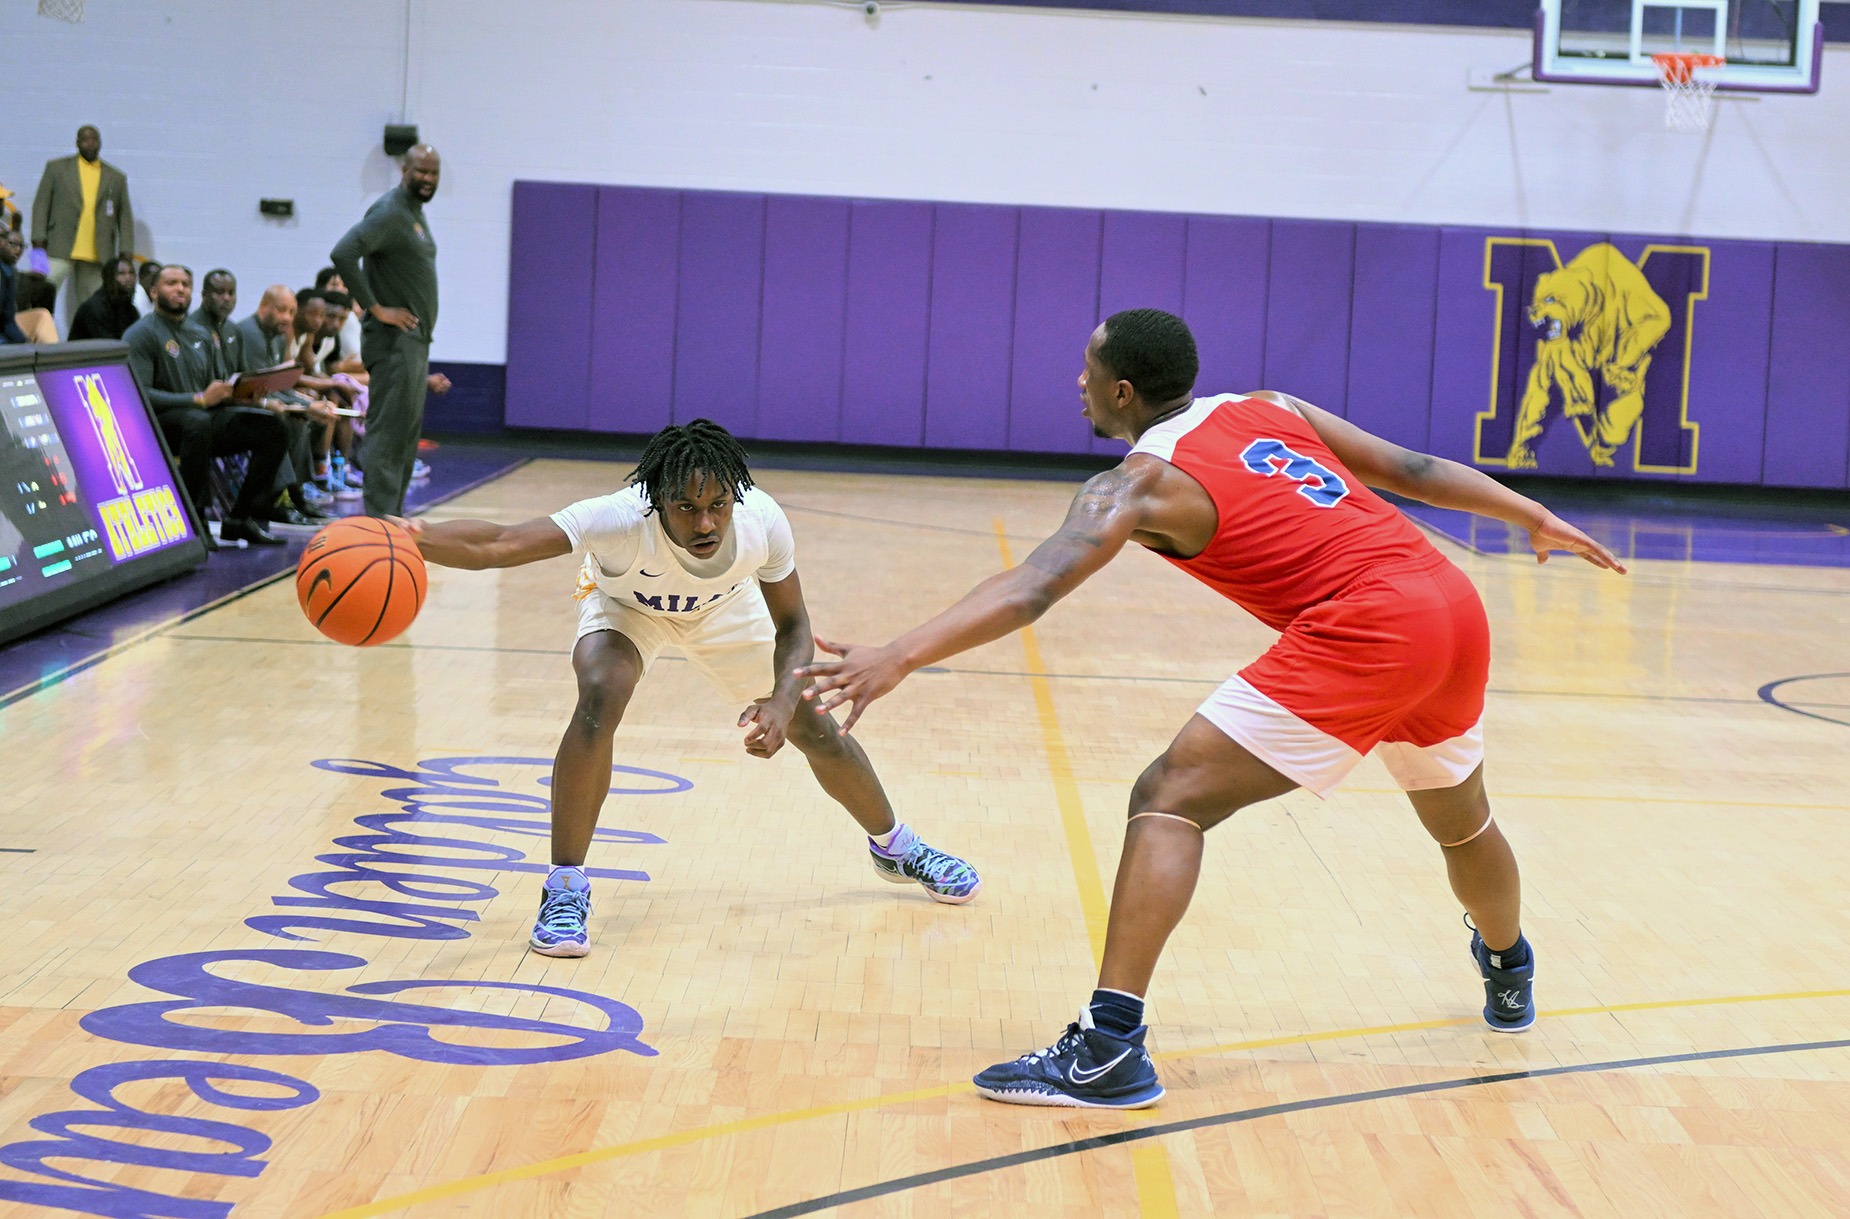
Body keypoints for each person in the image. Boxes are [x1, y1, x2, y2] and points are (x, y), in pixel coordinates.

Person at [799, 309, 1627, 1109]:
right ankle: (1509, 967)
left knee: (1168, 795)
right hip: (1448, 601)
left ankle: (1109, 1046)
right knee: (1462, 821)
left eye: (1088, 372)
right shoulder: (1270, 405)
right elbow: (1411, 470)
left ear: (1122, 392)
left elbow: (1034, 586)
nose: (1078, 383)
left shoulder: (1137, 483)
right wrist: (1532, 513)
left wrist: (899, 653)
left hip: (1369, 623)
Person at [392, 419, 983, 958]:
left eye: (717, 505)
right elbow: (498, 543)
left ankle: (895, 847)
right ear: (656, 501)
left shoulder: (760, 521)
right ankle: (566, 886)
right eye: (686, 507)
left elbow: (795, 626)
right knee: (599, 698)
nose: (705, 523)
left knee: (815, 727)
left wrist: (780, 705)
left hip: (724, 610)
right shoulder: (617, 517)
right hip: (628, 606)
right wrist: (413, 538)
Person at [124, 265, 290, 548]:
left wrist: (245, 396)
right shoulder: (141, 333)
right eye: (171, 283)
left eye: (185, 284)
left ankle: (240, 517)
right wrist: (198, 399)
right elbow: (137, 394)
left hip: (202, 419)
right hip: (159, 425)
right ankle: (195, 520)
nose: (180, 289)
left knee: (272, 425)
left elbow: (216, 389)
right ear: (153, 292)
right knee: (196, 422)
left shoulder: (199, 333)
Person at [330, 144, 451, 518]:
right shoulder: (390, 211)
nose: (428, 178)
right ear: (404, 170)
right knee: (388, 433)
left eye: (433, 172)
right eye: (421, 171)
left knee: (405, 435)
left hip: (414, 343)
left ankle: (393, 517)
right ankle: (379, 520)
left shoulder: (413, 213)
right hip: (393, 342)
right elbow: (343, 253)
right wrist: (376, 308)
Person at [194, 270, 333, 527]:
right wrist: (293, 404)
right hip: (220, 409)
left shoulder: (275, 336)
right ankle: (278, 499)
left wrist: (305, 405)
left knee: (298, 420)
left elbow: (273, 383)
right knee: (277, 422)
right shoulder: (249, 334)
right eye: (281, 310)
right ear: (263, 306)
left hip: (243, 403)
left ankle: (294, 492)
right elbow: (254, 387)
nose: (287, 317)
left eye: (291, 312)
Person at [30, 126, 134, 322]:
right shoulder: (56, 168)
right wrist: (37, 239)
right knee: (39, 291)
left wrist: (126, 250)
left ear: (100, 143)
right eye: (85, 140)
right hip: (54, 246)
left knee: (93, 306)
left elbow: (125, 217)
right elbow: (41, 204)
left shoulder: (116, 177)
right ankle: (33, 334)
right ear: (77, 143)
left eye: (94, 139)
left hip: (98, 253)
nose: (90, 144)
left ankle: (86, 340)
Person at [68, 254, 140, 340]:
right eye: (121, 273)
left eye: (131, 273)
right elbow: (108, 344)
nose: (128, 277)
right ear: (109, 277)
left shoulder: (131, 310)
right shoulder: (94, 307)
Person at [0, 228, 25, 344]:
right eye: (13, 244)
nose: (18, 250)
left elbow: (8, 320)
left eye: (21, 246)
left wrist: (24, 342)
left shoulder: (10, 273)